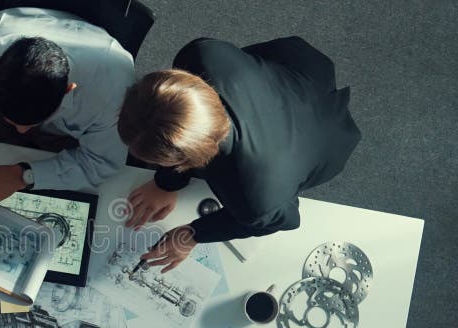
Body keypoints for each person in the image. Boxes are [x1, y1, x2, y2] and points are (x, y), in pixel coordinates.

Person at [118, 37, 362, 272]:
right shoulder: (200, 55)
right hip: (296, 68)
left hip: (327, 138)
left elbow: (283, 220)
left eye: (161, 163)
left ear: (191, 161)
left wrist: (194, 234)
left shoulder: (258, 198)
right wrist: (165, 184)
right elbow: (174, 122)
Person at [0, 7, 135, 220]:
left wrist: (25, 176)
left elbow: (102, 162)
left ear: (69, 88)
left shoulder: (113, 87)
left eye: (32, 123)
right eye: (11, 120)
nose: (20, 132)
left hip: (64, 136)